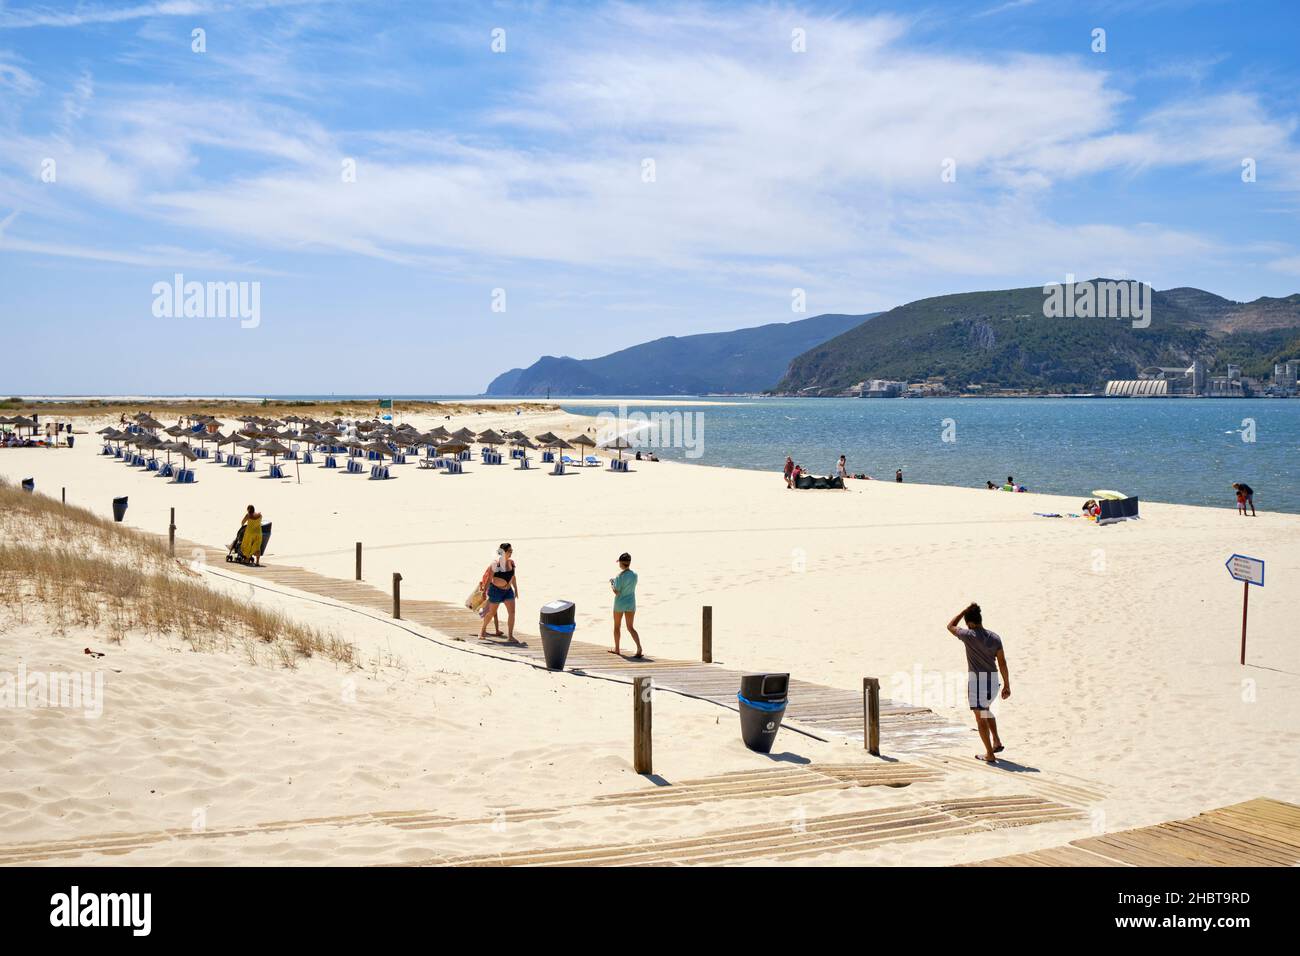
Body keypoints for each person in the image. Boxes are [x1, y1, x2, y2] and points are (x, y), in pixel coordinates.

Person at [945, 602, 1011, 764]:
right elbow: (1002, 663)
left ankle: (990, 754)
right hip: (994, 681)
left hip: (977, 684)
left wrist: (962, 612)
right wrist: (1007, 685)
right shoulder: (995, 637)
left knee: (980, 718)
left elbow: (950, 626)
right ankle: (996, 741)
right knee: (985, 710)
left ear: (969, 623)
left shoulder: (968, 635)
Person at [477, 544, 518, 642]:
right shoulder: (495, 564)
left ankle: (510, 636)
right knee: (491, 613)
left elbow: (513, 577)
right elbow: (489, 579)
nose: (511, 552)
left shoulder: (511, 563)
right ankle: (482, 631)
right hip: (496, 591)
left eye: (512, 550)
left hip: (508, 591)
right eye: (509, 550)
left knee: (512, 613)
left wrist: (516, 589)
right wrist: (483, 592)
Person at [609, 552, 642, 658]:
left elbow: (617, 591)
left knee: (617, 626)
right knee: (630, 627)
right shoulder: (634, 575)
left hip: (619, 603)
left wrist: (612, 584)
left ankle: (617, 649)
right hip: (631, 603)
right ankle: (639, 647)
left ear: (621, 564)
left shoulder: (619, 576)